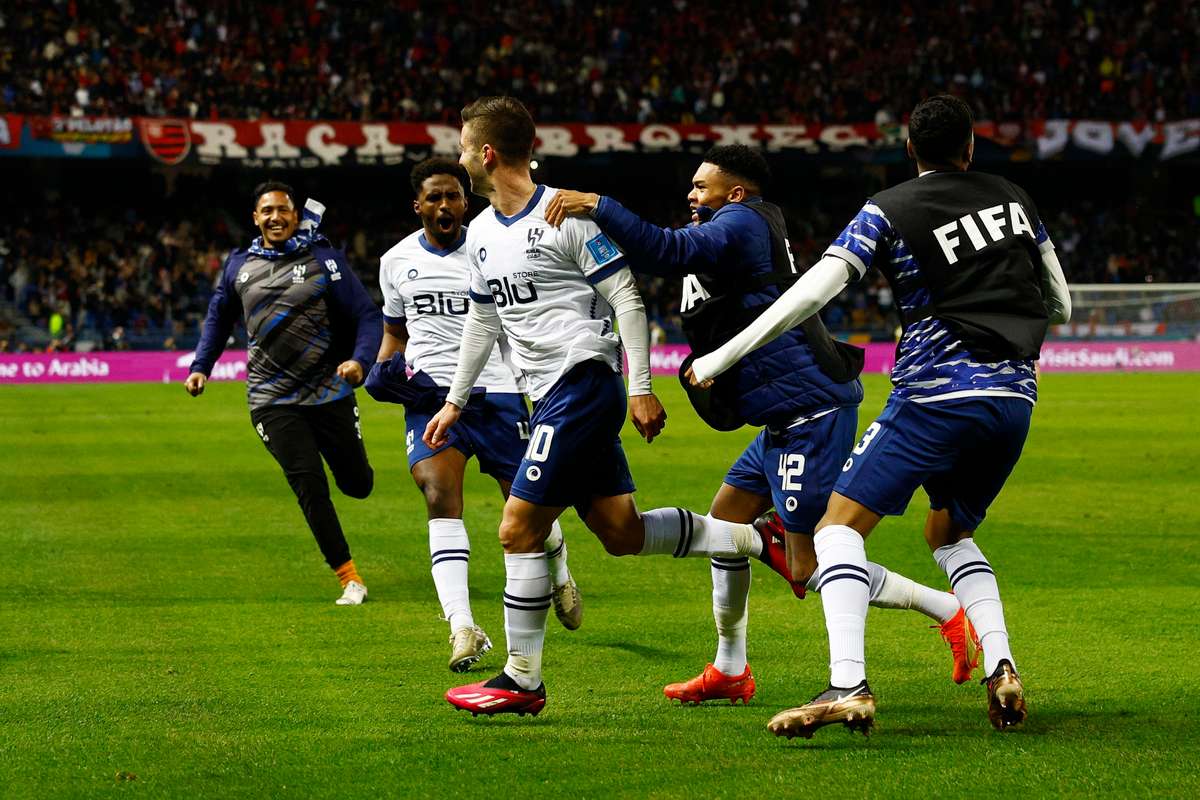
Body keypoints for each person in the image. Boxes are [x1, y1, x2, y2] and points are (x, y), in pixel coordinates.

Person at [688, 95, 1072, 736]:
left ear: (911, 151)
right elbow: (1057, 301)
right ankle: (1002, 668)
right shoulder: (1013, 197)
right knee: (947, 534)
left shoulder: (889, 208)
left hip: (932, 393)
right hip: (1014, 399)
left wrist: (723, 353)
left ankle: (848, 686)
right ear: (970, 147)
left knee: (837, 528)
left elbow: (816, 287)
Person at [545, 145, 978, 707]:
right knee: (725, 521)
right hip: (781, 417)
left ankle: (949, 611)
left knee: (806, 566)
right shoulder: (734, 225)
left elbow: (666, 250)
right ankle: (730, 668)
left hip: (811, 414)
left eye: (702, 187)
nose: (691, 195)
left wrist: (599, 204)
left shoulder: (744, 223)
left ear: (737, 192)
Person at [424, 96, 774, 718]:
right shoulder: (479, 234)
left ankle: (521, 680)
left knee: (517, 529)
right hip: (548, 394)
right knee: (622, 533)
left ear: (485, 154)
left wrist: (640, 386)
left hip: (583, 381)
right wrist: (455, 401)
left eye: (460, 147)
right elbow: (483, 320)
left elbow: (627, 300)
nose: (456, 159)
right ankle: (755, 539)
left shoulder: (566, 216)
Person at [367, 157, 582, 674]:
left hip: (500, 394)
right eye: (434, 198)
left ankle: (559, 567)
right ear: (417, 205)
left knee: (526, 509)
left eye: (453, 197)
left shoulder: (492, 247)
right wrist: (381, 368)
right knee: (439, 496)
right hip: (431, 400)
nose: (445, 205)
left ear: (467, 201)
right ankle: (462, 626)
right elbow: (396, 330)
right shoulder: (395, 261)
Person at [186, 182, 382, 606]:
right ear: (255, 218)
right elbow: (218, 319)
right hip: (270, 398)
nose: (274, 217)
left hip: (329, 392)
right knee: (308, 482)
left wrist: (360, 361)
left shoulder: (324, 259)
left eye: (282, 210)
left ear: (295, 216)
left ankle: (353, 476)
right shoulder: (238, 265)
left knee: (358, 484)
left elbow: (367, 315)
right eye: (266, 211)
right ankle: (350, 578)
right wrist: (201, 366)